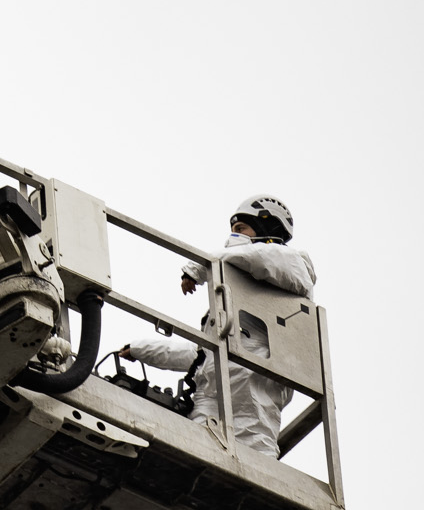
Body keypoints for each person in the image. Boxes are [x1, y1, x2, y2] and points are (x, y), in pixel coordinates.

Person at [118, 194, 316, 459]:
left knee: (257, 458)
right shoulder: (228, 315)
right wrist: (141, 349)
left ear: (269, 229)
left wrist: (197, 268)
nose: (235, 236)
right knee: (193, 455)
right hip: (210, 396)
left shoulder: (292, 264)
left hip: (254, 385)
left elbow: (257, 257)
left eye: (242, 229)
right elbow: (201, 356)